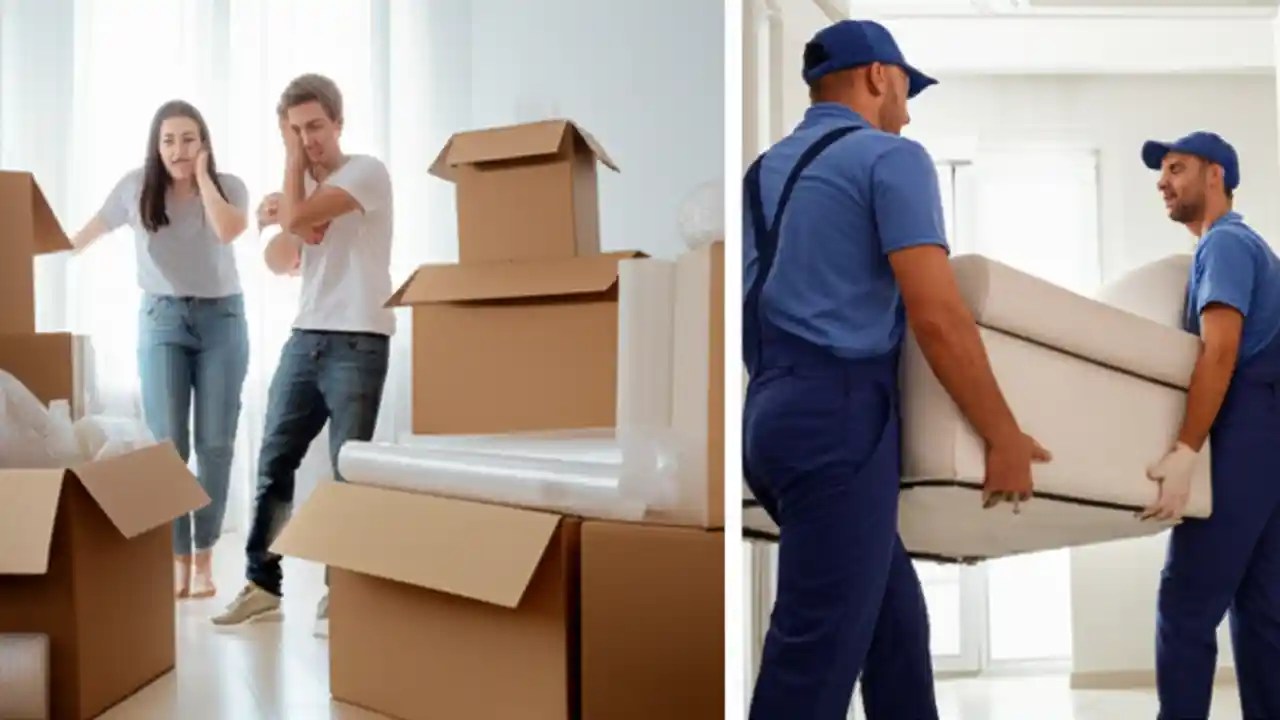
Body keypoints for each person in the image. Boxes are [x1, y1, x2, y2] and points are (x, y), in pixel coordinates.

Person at [741, 20, 1051, 720]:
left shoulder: (760, 175)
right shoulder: (891, 158)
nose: (907, 113)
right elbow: (936, 315)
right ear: (878, 76)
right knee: (811, 661)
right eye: (907, 90)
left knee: (895, 633)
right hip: (838, 419)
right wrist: (1002, 435)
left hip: (767, 419)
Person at [212, 73, 394, 627]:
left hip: (359, 338)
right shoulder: (302, 189)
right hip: (306, 336)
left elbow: (293, 220)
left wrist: (290, 197)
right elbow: (279, 259)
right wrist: (290, 210)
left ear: (338, 122)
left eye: (314, 126)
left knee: (348, 472)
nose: (306, 140)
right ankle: (261, 586)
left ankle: (345, 592)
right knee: (274, 462)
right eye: (294, 131)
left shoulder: (366, 172)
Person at [70, 100, 250, 601]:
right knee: (168, 444)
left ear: (204, 142)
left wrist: (203, 178)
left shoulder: (229, 187)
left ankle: (206, 558)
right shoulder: (135, 188)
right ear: (155, 145)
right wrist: (41, 245)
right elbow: (85, 234)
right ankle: (177, 559)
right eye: (168, 140)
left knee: (215, 445)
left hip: (222, 321)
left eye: (188, 139)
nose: (178, 149)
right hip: (162, 321)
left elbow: (228, 230)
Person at [1140, 131, 1280, 720]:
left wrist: (1185, 450)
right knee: (1263, 608)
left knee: (1186, 603)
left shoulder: (1224, 244)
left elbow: (1219, 352)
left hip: (1243, 427)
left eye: (1176, 169)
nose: (1162, 182)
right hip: (1266, 430)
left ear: (1215, 174)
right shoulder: (1247, 245)